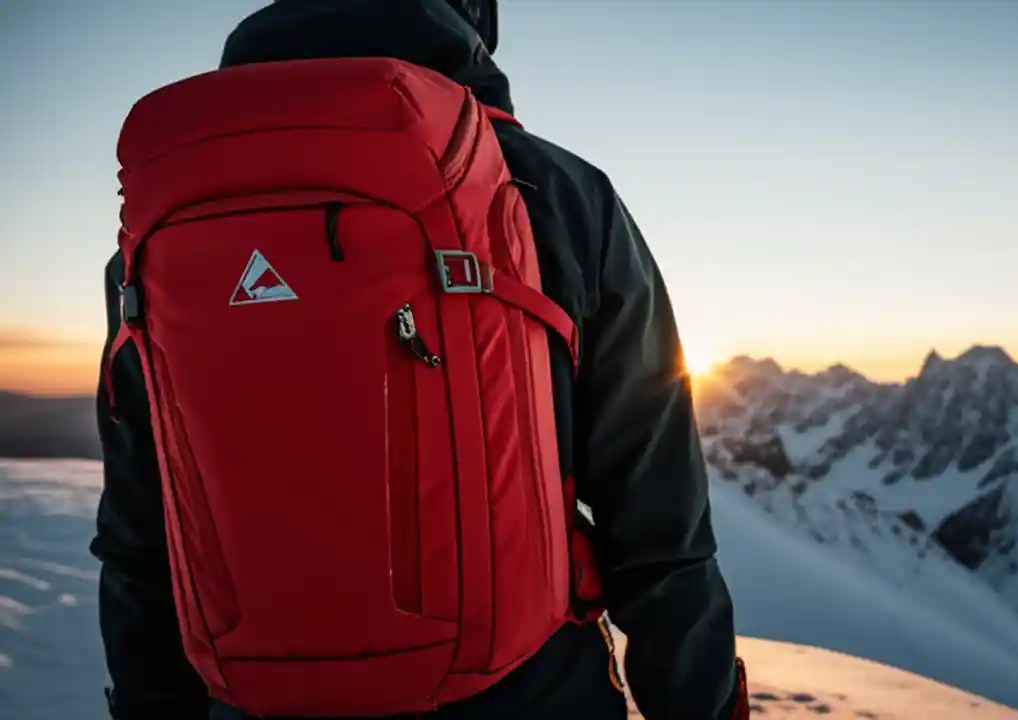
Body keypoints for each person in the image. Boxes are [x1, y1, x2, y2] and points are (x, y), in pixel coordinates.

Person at [92, 1, 744, 718]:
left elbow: (141, 536)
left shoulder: (159, 228)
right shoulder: (552, 189)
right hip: (525, 695)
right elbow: (659, 527)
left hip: (252, 701)